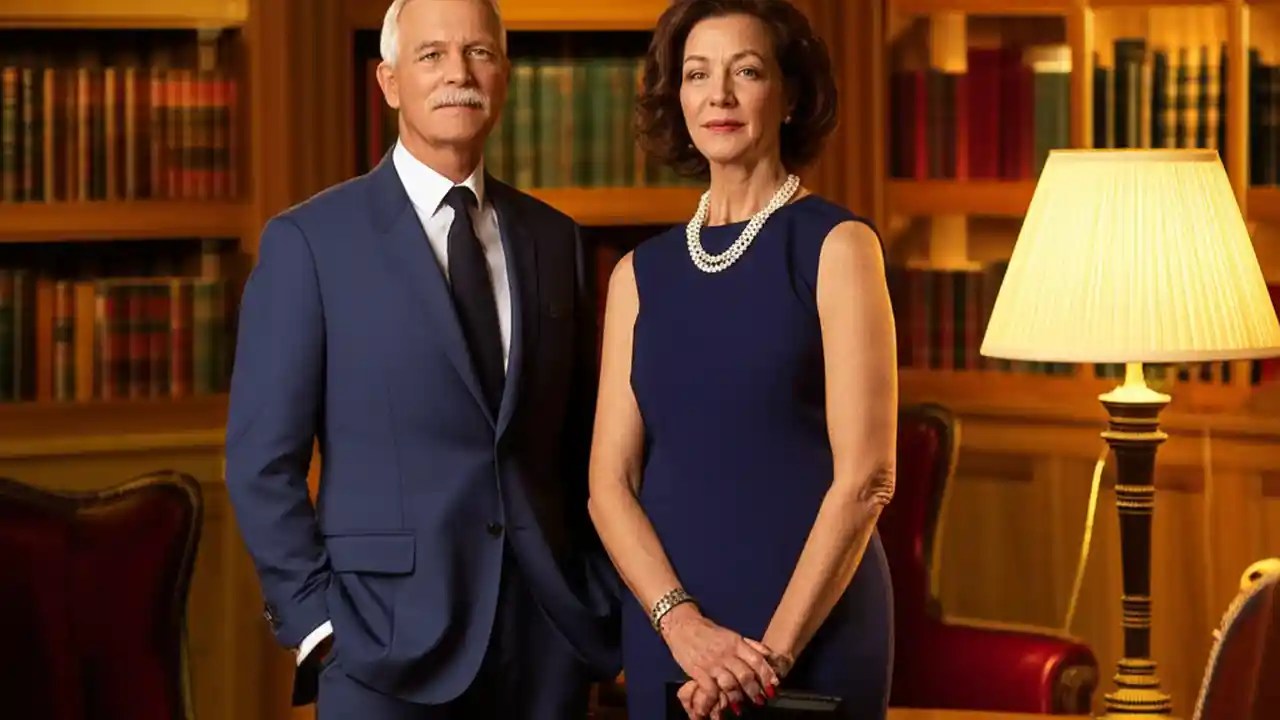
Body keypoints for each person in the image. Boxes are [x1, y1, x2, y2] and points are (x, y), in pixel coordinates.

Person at [224, 0, 620, 717]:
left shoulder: (556, 242)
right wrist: (318, 627)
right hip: (382, 647)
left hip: (546, 644)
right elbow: (261, 462)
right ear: (389, 82)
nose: (458, 75)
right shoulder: (310, 244)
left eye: (480, 54)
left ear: (504, 76)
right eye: (432, 55)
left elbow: (583, 442)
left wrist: (592, 600)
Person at [587, 0, 897, 718]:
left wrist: (765, 661)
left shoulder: (838, 248)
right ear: (678, 98)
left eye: (746, 71)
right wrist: (683, 627)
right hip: (673, 638)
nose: (718, 95)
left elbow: (867, 480)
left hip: (811, 633)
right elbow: (609, 484)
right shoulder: (638, 274)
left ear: (789, 96)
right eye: (697, 74)